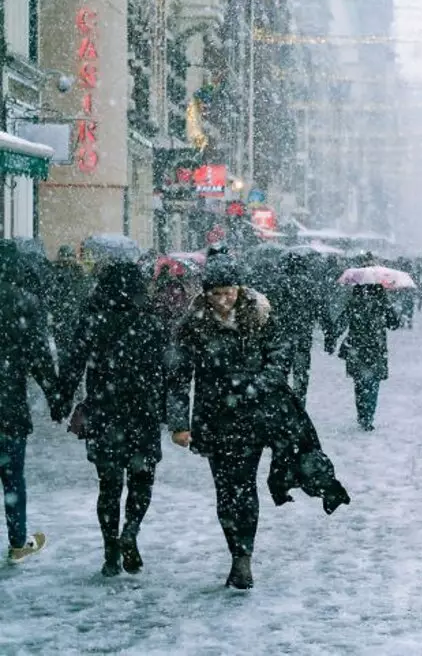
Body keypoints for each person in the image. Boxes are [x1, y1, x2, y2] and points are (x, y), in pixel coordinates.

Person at [166, 255, 293, 589]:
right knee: (224, 490)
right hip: (212, 418)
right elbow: (178, 377)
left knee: (245, 485)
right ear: (206, 293)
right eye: (216, 294)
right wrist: (178, 423)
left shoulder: (261, 316)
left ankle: (243, 557)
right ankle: (234, 549)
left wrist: (252, 387)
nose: (223, 300)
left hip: (251, 418)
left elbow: (280, 362)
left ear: (240, 290)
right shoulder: (194, 323)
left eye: (229, 293)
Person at [59, 262, 167, 576]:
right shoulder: (150, 323)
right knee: (141, 481)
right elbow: (168, 370)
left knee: (108, 487)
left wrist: (62, 400)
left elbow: (72, 366)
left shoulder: (92, 322)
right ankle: (130, 530)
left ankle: (110, 554)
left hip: (103, 413)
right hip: (141, 414)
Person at [0, 241, 65, 562]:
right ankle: (16, 543)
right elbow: (40, 358)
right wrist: (56, 398)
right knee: (13, 478)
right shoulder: (25, 303)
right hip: (8, 405)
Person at [324, 284, 401, 431]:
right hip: (376, 350)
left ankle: (362, 414)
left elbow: (342, 323)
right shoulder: (381, 303)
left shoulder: (354, 303)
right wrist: (387, 305)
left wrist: (332, 337)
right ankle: (368, 417)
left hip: (357, 349)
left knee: (359, 384)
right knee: (372, 384)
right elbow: (394, 324)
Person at [266, 252, 324, 404]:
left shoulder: (276, 284)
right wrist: (329, 333)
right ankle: (299, 407)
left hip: (281, 337)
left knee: (280, 374)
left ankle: (282, 407)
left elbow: (268, 310)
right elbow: (320, 310)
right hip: (302, 337)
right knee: (301, 376)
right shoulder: (310, 285)